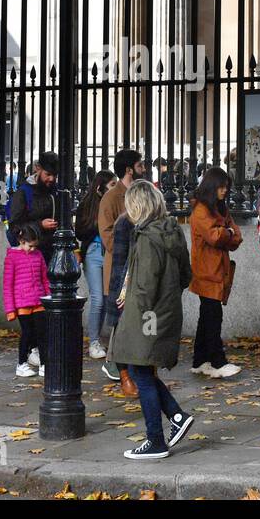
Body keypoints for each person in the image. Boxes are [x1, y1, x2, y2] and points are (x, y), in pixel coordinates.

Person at [108, 180, 196, 460]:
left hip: (146, 315)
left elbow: (145, 286)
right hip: (165, 311)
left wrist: (130, 304)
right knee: (141, 371)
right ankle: (178, 417)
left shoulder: (146, 237)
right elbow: (185, 276)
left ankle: (156, 440)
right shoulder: (172, 231)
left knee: (140, 373)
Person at [188, 166, 243, 378]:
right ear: (212, 187)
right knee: (213, 317)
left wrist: (227, 233)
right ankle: (217, 360)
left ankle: (200, 360)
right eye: (222, 187)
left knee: (207, 316)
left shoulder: (219, 208)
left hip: (217, 269)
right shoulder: (202, 210)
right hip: (207, 271)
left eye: (227, 187)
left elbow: (235, 235)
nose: (225, 191)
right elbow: (215, 237)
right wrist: (227, 232)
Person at [98, 149, 145, 396]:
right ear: (129, 169)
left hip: (138, 269)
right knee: (118, 322)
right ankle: (118, 368)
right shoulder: (111, 198)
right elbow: (108, 238)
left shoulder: (141, 194)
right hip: (119, 271)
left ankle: (134, 369)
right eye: (140, 165)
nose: (144, 169)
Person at [74, 169, 115, 360]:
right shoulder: (87, 205)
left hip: (109, 253)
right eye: (111, 185)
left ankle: (97, 338)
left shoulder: (115, 203)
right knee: (98, 298)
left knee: (107, 299)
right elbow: (80, 232)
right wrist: (98, 223)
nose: (114, 188)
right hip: (93, 252)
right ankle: (93, 342)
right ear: (100, 188)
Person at [3, 224, 49, 377]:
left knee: (42, 333)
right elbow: (7, 285)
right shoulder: (12, 257)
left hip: (39, 301)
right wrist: (10, 309)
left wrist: (48, 297)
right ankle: (21, 363)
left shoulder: (38, 255)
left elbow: (45, 278)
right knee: (27, 333)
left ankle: (44, 363)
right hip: (22, 303)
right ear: (21, 241)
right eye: (30, 246)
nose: (33, 249)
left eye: (35, 246)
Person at [8, 152, 60, 263]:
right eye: (48, 174)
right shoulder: (23, 193)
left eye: (55, 175)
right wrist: (40, 225)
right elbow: (15, 226)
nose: (52, 179)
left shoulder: (56, 192)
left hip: (54, 254)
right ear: (38, 168)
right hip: (31, 255)